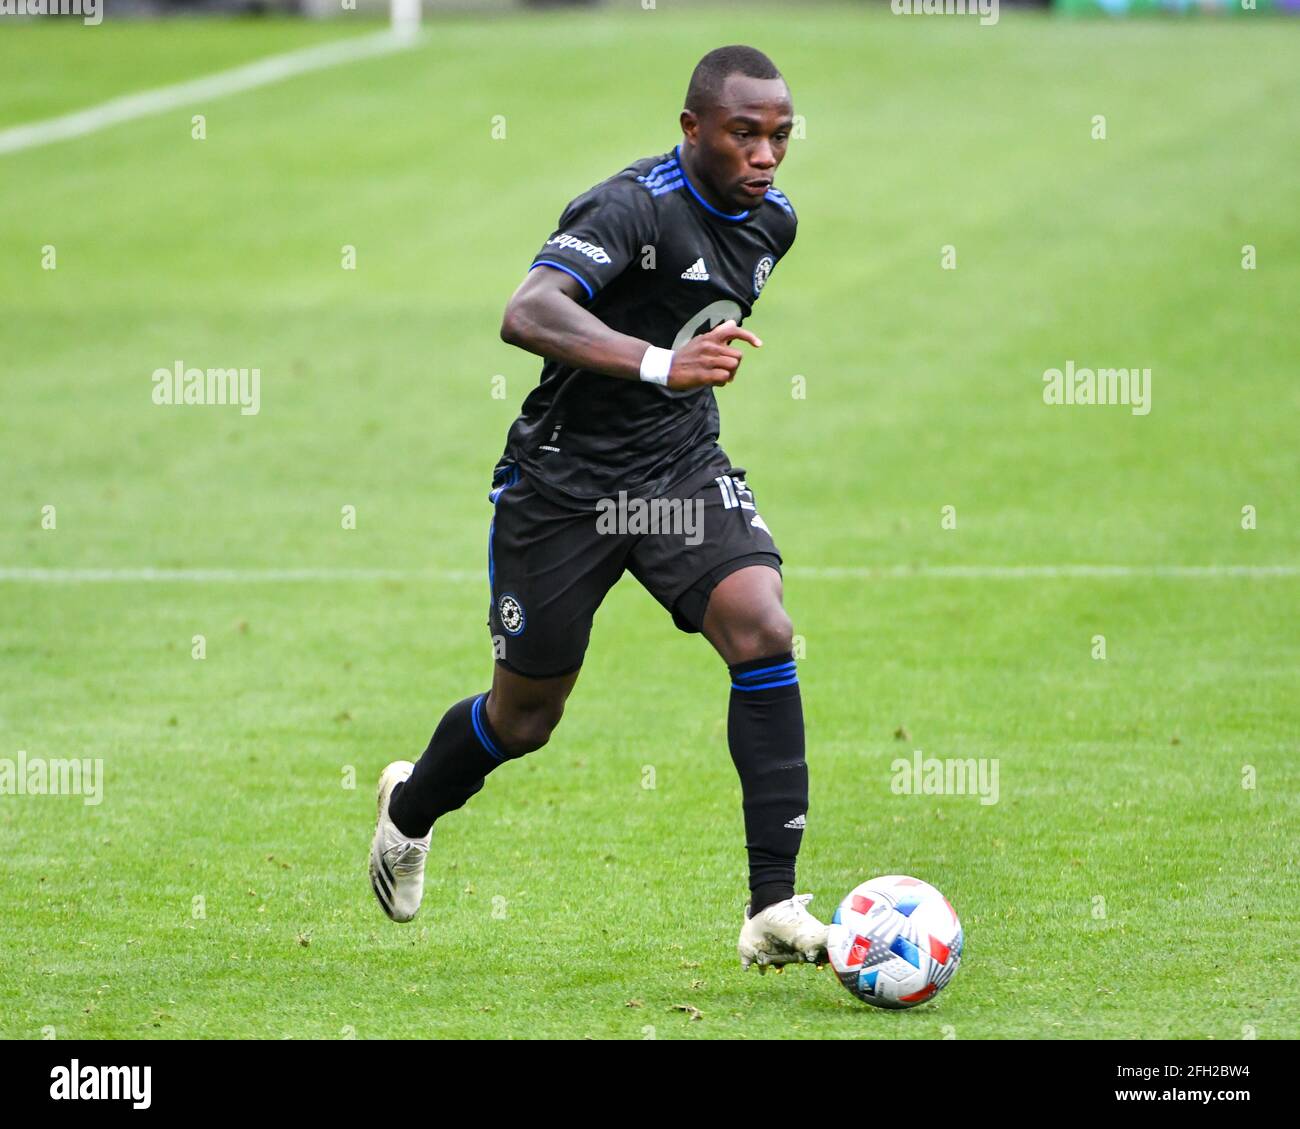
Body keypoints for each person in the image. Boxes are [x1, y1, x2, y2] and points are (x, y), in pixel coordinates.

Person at [369, 44, 827, 972]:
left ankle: (771, 905)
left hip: (676, 472)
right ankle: (409, 808)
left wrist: (676, 389)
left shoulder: (772, 224)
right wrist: (661, 363)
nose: (766, 155)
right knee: (526, 718)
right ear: (692, 127)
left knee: (763, 630)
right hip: (564, 490)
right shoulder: (631, 207)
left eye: (780, 136)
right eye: (744, 134)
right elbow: (528, 311)